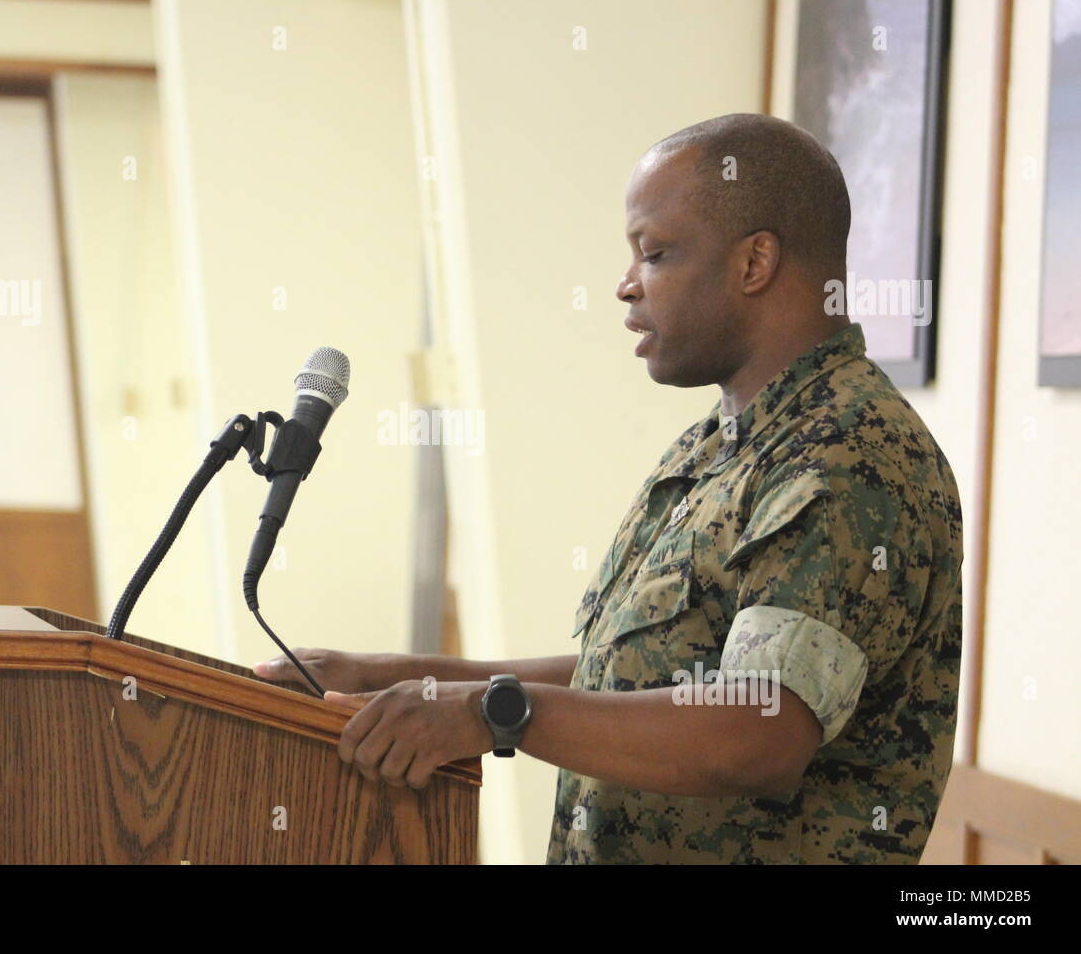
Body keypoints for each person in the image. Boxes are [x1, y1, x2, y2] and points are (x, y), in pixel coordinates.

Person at [255, 113, 963, 864]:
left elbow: (756, 731)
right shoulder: (717, 447)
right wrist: (396, 677)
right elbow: (632, 677)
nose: (626, 285)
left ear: (755, 263)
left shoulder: (851, 456)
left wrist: (496, 713)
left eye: (654, 253)